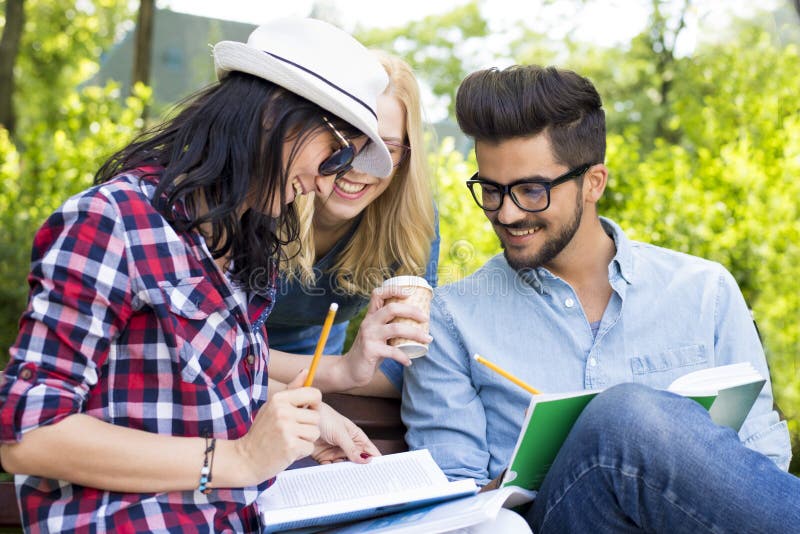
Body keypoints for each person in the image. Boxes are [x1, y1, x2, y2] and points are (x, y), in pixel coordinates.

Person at [0, 18, 395, 532]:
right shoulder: (112, 221)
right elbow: (29, 434)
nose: (326, 186)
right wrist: (237, 460)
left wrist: (297, 417)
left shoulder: (241, 239)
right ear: (275, 114)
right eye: (337, 155)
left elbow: (183, 386)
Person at [401, 64, 800, 532]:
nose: (506, 213)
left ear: (593, 182)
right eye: (490, 190)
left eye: (532, 190)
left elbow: (761, 468)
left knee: (632, 418)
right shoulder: (450, 320)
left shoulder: (704, 291)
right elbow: (453, 504)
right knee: (623, 417)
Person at [266, 51, 438, 397]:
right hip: (237, 364)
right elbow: (205, 347)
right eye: (348, 141)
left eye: (385, 148)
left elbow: (405, 364)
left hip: (320, 367)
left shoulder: (409, 222)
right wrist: (338, 373)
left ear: (406, 156)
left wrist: (343, 373)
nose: (360, 167)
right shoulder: (268, 195)